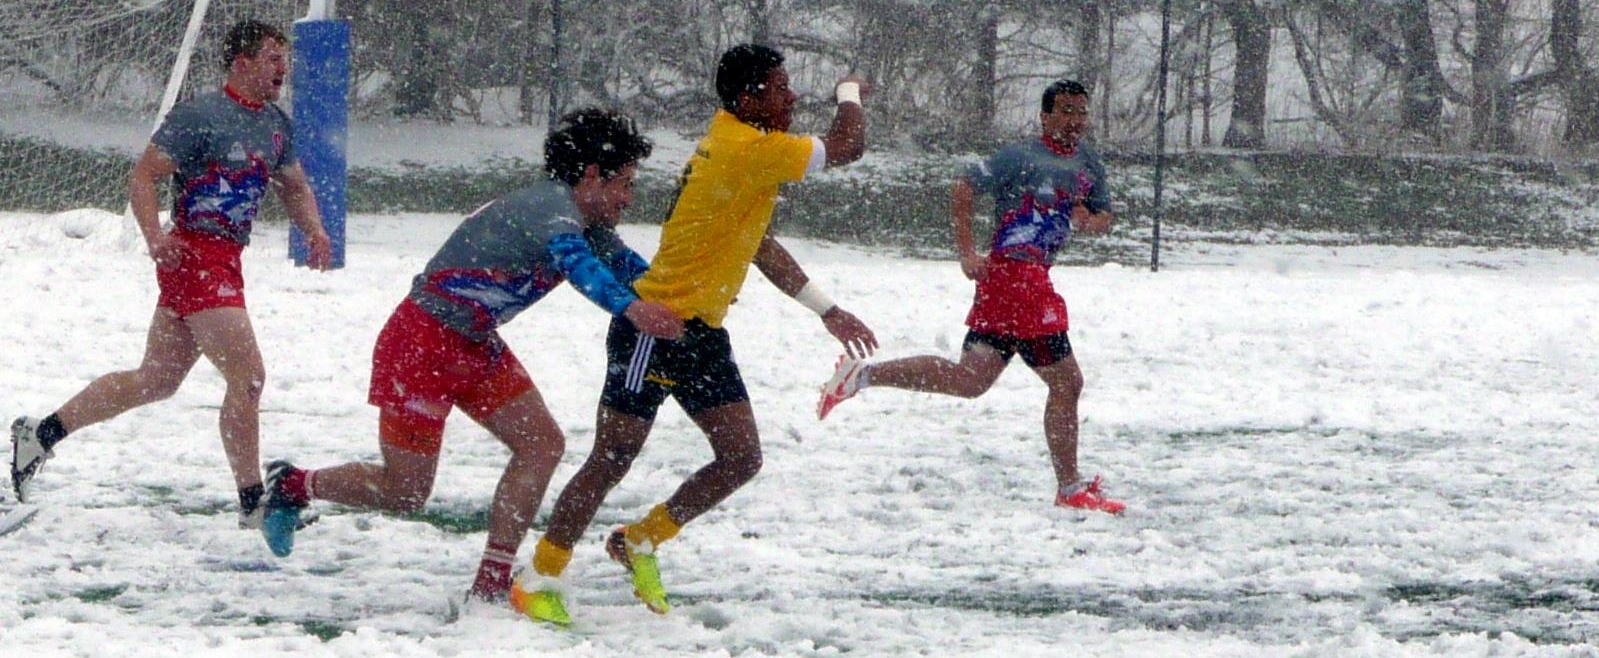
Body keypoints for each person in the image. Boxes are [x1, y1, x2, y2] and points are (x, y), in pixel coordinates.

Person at [257, 107, 686, 623]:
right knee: (407, 491)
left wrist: (689, 294)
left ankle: (491, 582)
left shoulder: (586, 223)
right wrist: (632, 310)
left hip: (475, 345)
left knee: (542, 444)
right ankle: (293, 485)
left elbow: (638, 272)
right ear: (592, 175)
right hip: (419, 343)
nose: (629, 198)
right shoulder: (552, 209)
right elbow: (580, 268)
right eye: (625, 184)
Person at [526, 43, 878, 618]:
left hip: (702, 335)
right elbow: (848, 145)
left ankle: (640, 539)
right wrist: (849, 92)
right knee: (612, 458)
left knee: (741, 458)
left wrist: (826, 309)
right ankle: (539, 576)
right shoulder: (745, 148)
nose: (792, 97)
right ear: (747, 98)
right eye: (780, 88)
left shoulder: (748, 151)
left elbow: (759, 245)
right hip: (653, 328)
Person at [9, 20, 336, 537]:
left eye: (285, 59)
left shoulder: (276, 124)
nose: (283, 69)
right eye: (273, 59)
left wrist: (314, 230)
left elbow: (293, 185)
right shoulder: (199, 116)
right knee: (248, 377)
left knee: (155, 381)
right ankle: (253, 500)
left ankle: (42, 433)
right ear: (242, 63)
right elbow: (144, 174)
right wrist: (155, 237)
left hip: (226, 260)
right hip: (195, 258)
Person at [816, 78, 1124, 514]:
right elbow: (963, 187)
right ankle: (1070, 488)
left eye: (1081, 111)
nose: (1075, 120)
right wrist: (966, 251)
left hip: (1020, 282)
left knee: (970, 380)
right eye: (1066, 111)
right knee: (1066, 382)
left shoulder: (1088, 162)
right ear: (1045, 117)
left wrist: (1090, 221)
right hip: (1016, 278)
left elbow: (1104, 214)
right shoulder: (1020, 156)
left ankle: (860, 376)